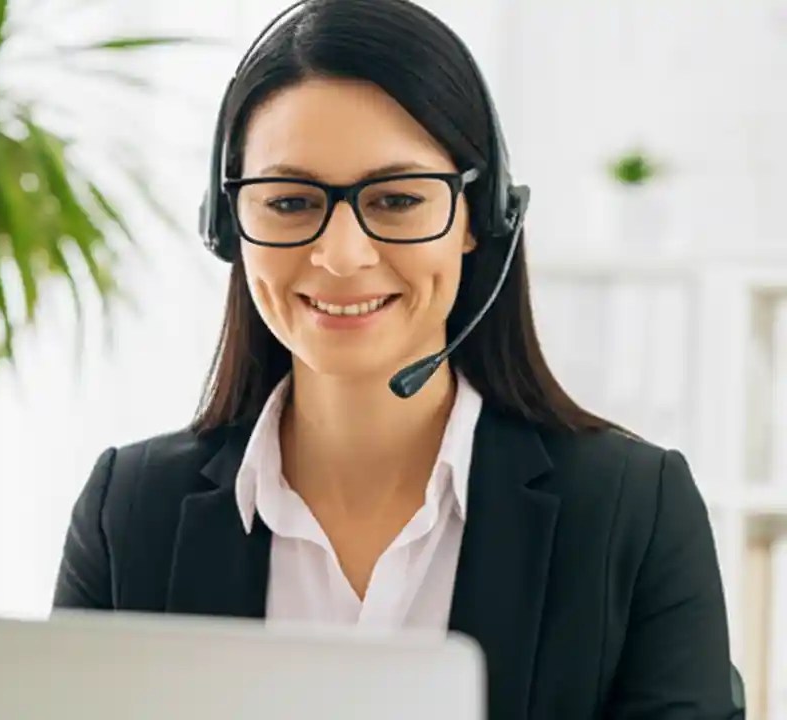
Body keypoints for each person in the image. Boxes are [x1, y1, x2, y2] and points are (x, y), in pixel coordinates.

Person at [52, 0, 741, 718]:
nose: (342, 255)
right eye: (289, 203)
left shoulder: (633, 513)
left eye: (397, 199)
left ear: (480, 219)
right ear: (229, 228)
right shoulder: (128, 514)